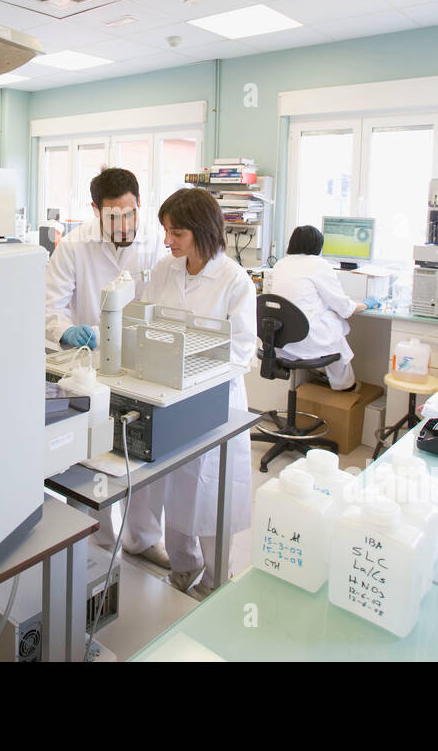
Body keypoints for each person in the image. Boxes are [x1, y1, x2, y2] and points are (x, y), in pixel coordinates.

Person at [43, 167, 167, 563]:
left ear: (139, 205)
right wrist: (67, 332)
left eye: (130, 213)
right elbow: (49, 306)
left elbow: (161, 307)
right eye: (112, 215)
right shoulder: (74, 246)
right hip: (88, 366)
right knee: (92, 454)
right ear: (95, 210)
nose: (123, 223)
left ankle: (143, 538)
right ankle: (95, 539)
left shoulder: (153, 245)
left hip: (138, 367)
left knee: (141, 458)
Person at [147, 187, 256, 597]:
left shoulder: (234, 280)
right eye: (166, 231)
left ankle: (215, 580)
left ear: (201, 230)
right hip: (169, 395)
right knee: (174, 486)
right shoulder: (164, 270)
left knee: (210, 491)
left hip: (214, 401)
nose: (167, 241)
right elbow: (147, 320)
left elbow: (243, 349)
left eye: (176, 233)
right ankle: (183, 566)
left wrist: (192, 359)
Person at [264, 225, 366, 391]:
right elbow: (344, 308)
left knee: (327, 321)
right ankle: (345, 386)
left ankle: (324, 375)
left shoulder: (280, 264)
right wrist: (366, 304)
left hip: (281, 342)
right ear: (318, 245)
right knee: (335, 326)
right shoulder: (319, 265)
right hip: (305, 341)